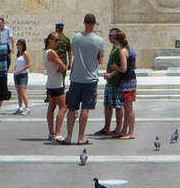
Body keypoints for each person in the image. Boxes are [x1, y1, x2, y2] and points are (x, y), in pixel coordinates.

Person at [64, 13, 105, 144]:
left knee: (71, 108)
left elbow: (75, 53)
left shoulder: (76, 38)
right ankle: (81, 137)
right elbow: (101, 60)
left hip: (76, 77)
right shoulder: (99, 41)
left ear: (84, 23)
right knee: (85, 108)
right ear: (94, 24)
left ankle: (69, 136)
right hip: (90, 78)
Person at [96, 26, 125, 137]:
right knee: (107, 105)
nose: (109, 38)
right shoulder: (114, 48)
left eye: (111, 36)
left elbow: (122, 67)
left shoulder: (119, 50)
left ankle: (118, 128)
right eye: (109, 36)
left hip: (116, 82)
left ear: (116, 36)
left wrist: (111, 74)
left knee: (118, 105)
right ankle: (107, 127)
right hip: (110, 82)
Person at [43, 31, 68, 142]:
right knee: (64, 107)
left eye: (59, 40)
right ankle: (57, 133)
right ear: (50, 40)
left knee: (51, 108)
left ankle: (51, 133)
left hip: (51, 83)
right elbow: (64, 66)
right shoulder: (52, 53)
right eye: (56, 40)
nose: (58, 42)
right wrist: (62, 66)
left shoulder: (46, 52)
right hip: (56, 84)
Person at [12, 39, 31, 115]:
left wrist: (20, 71)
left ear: (23, 45)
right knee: (19, 92)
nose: (18, 46)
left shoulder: (25, 54)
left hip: (23, 75)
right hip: (16, 74)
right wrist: (15, 70)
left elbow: (29, 64)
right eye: (17, 44)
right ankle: (20, 107)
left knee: (23, 92)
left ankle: (27, 108)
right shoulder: (18, 54)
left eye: (19, 45)